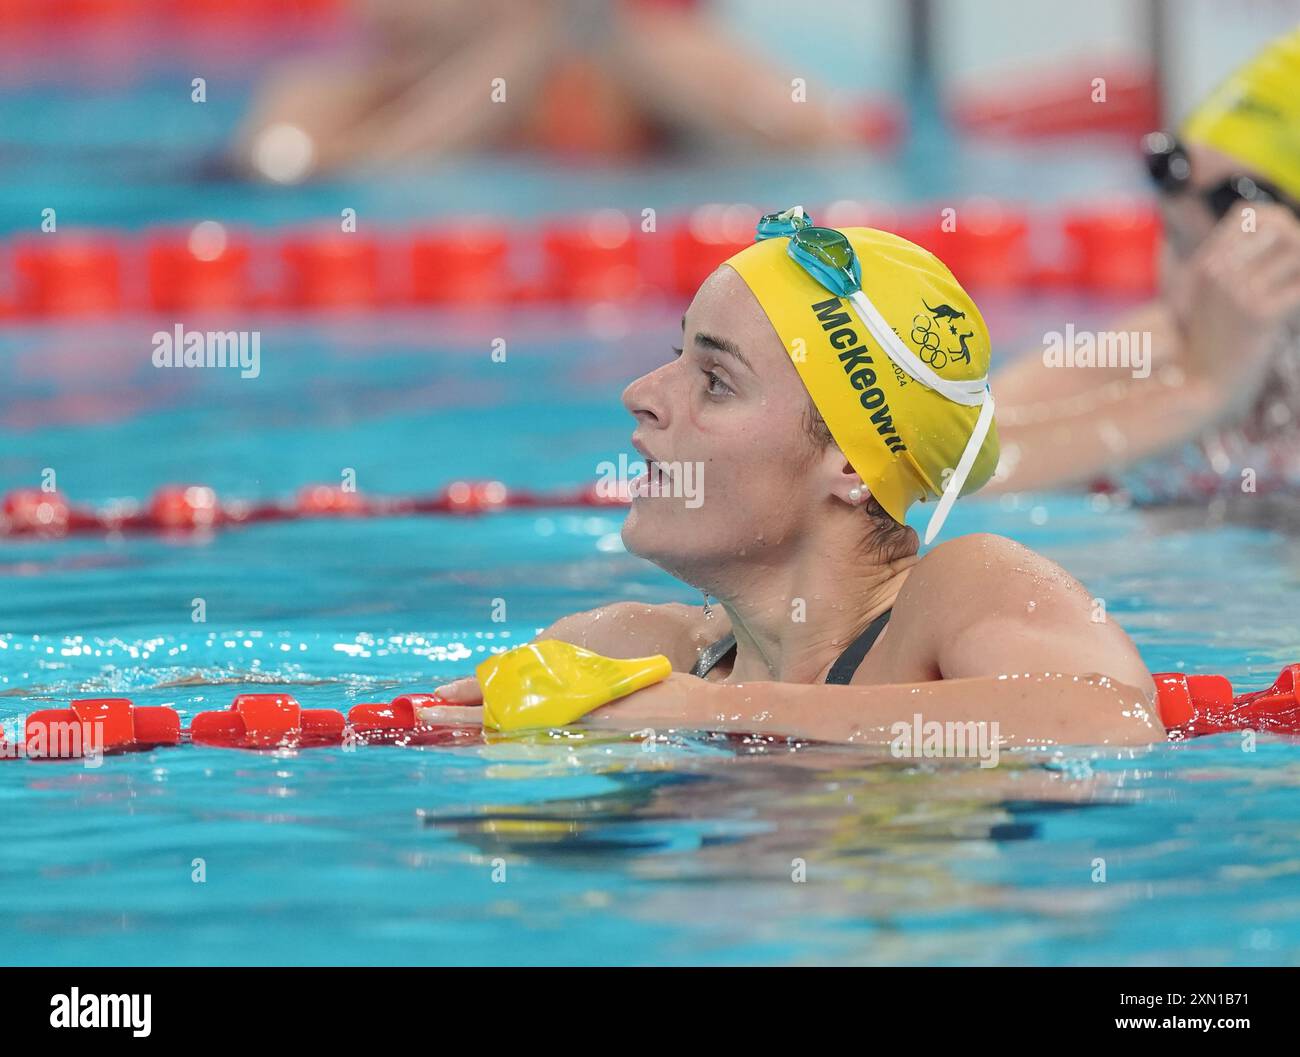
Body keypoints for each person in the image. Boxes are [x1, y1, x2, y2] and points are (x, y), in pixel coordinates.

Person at [426, 207, 1161, 748]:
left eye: (715, 380)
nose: (643, 392)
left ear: (849, 464)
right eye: (676, 353)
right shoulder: (629, 648)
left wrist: (706, 713)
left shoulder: (955, 595)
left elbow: (1112, 719)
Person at [991, 28, 1300, 498]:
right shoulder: (1166, 351)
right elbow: (923, 467)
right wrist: (1198, 389)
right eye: (1176, 240)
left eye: (1240, 257)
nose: (1185, 292)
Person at [234, 0, 886, 182]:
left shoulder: (635, 61)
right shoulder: (335, 92)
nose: (375, 14)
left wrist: (582, 26)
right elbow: (278, 168)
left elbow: (829, 139)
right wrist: (516, 55)